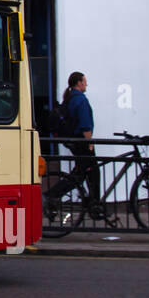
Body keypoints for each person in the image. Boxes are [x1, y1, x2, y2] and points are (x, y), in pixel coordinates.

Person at [49, 71, 96, 201]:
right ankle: (95, 204)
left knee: (82, 172)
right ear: (79, 83)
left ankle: (94, 203)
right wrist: (90, 142)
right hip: (82, 141)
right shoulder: (80, 100)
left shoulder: (70, 98)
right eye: (85, 81)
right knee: (90, 172)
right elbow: (85, 124)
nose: (87, 84)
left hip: (75, 142)